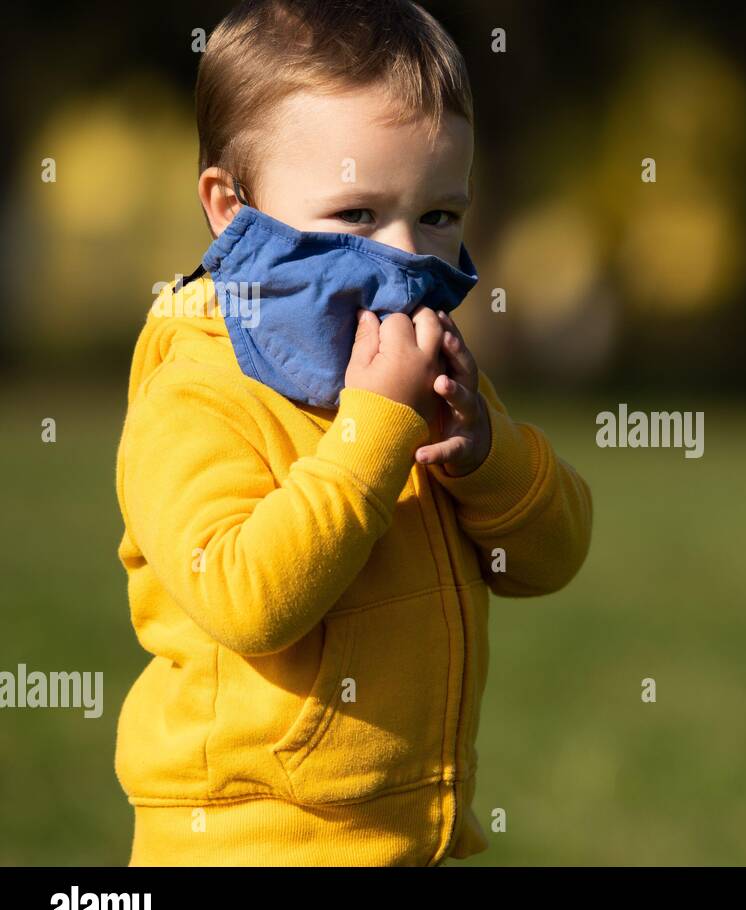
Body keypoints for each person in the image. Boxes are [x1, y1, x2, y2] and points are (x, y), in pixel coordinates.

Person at [113, 0, 593, 865]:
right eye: (358, 215)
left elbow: (551, 560)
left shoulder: (424, 370)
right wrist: (373, 433)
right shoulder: (196, 393)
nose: (406, 258)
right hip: (248, 846)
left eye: (439, 217)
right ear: (231, 208)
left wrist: (488, 460)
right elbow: (245, 599)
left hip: (415, 839)